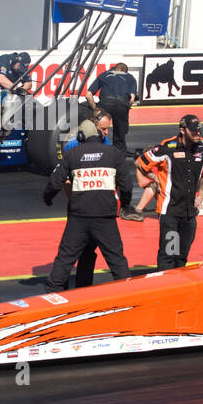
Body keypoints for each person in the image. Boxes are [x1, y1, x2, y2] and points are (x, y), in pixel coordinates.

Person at [42, 120, 134, 292]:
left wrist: (47, 197)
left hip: (79, 217)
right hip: (105, 216)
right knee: (116, 259)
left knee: (65, 257)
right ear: (99, 134)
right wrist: (125, 206)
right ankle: (129, 295)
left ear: (81, 136)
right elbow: (127, 186)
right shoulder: (113, 153)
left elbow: (55, 182)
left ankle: (52, 293)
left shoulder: (72, 154)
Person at [137, 115, 203, 270]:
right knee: (169, 254)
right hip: (170, 211)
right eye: (193, 130)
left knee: (182, 255)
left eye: (199, 130)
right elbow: (140, 163)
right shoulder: (168, 146)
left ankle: (178, 287)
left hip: (189, 211)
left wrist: (200, 196)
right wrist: (155, 178)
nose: (197, 133)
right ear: (182, 130)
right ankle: (164, 287)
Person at [85, 63, 140, 219]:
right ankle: (118, 160)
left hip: (106, 103)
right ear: (125, 71)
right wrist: (125, 108)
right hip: (122, 104)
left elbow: (88, 94)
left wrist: (96, 108)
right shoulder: (130, 77)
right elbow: (132, 98)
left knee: (101, 131)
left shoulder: (104, 75)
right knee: (120, 137)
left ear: (115, 69)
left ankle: (98, 150)